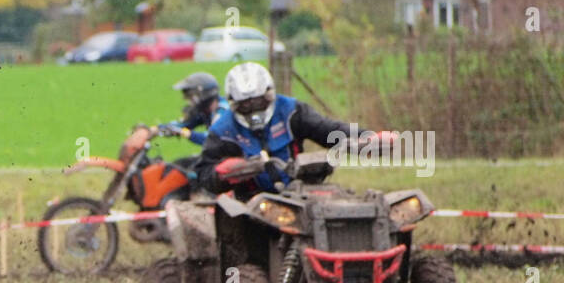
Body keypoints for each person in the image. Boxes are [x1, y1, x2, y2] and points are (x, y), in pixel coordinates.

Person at [196, 61, 393, 194]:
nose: (253, 108)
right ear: (234, 104)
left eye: (258, 101)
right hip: (251, 200)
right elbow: (204, 173)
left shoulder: (291, 111)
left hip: (299, 191)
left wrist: (367, 138)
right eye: (246, 104)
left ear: (269, 94)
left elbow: (328, 131)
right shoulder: (223, 130)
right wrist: (224, 172)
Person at [119, 71, 221, 162]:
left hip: (229, 159)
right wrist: (152, 130)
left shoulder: (222, 111)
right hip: (218, 157)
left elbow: (212, 139)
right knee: (180, 165)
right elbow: (182, 125)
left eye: (190, 97)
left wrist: (183, 132)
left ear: (203, 94)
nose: (188, 102)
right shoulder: (204, 112)